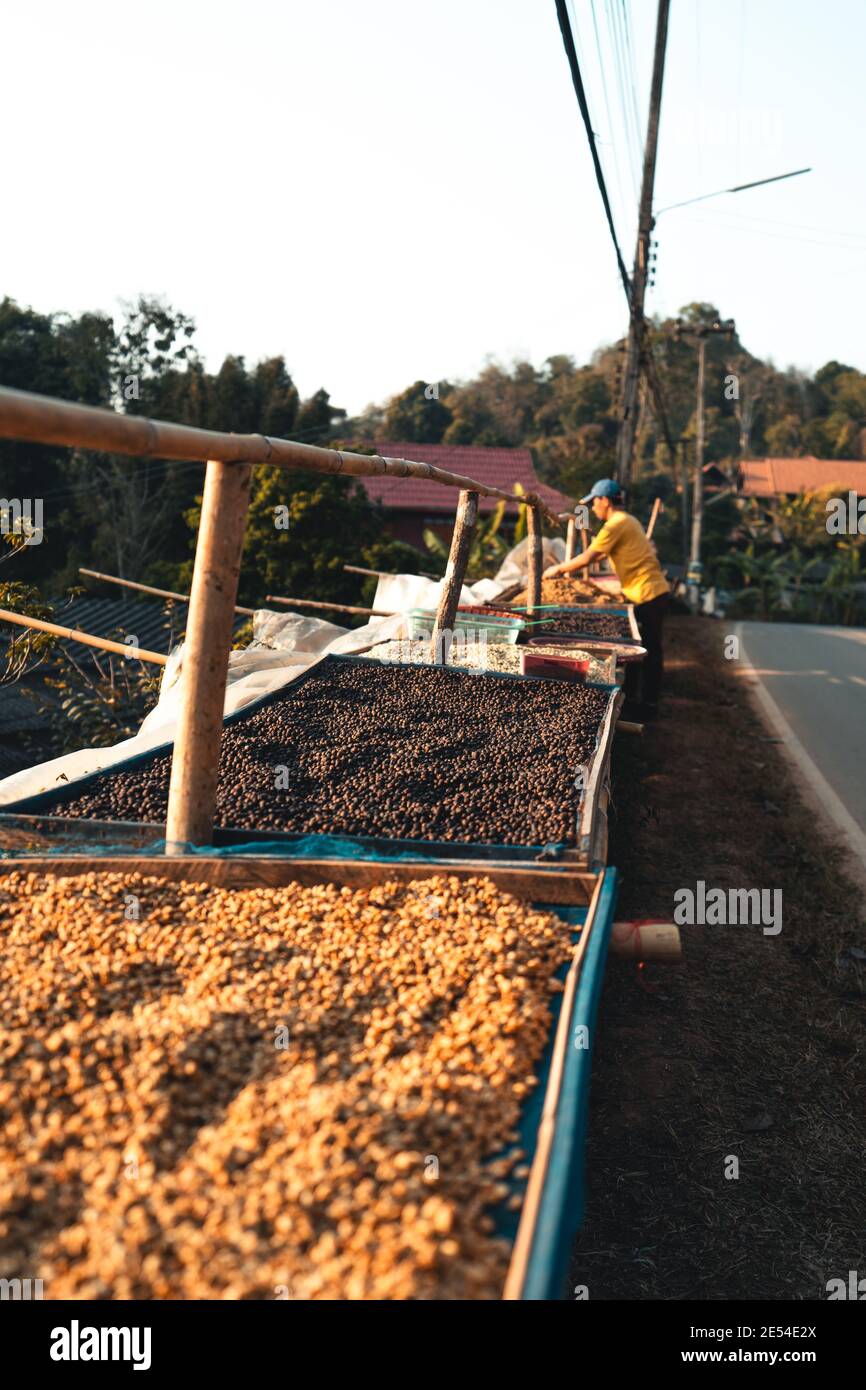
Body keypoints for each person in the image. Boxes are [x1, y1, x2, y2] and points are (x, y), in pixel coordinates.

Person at [544, 478, 670, 718]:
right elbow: (599, 554)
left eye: (594, 502)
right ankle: (636, 701)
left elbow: (590, 556)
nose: (593, 508)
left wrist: (558, 570)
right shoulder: (628, 521)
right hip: (648, 591)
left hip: (647, 593)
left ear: (605, 500)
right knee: (641, 650)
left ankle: (647, 706)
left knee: (648, 650)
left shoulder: (616, 524)